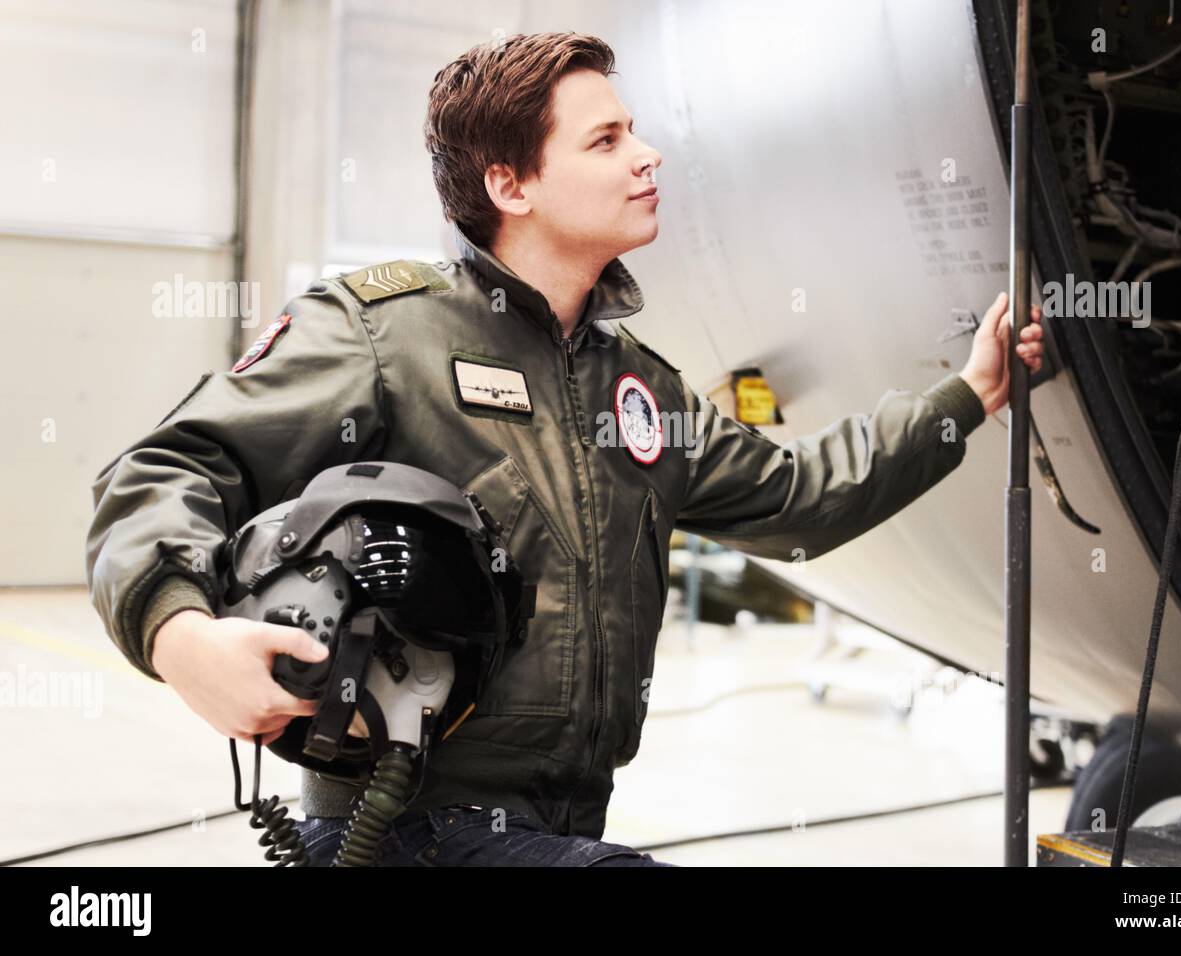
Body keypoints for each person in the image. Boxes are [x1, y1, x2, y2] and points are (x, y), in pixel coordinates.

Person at [85, 31, 1045, 867]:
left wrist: (969, 395)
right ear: (510, 182)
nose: (649, 155)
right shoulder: (383, 334)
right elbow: (165, 468)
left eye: (635, 131)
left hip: (562, 827)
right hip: (400, 830)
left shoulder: (641, 388)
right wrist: (179, 637)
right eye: (608, 139)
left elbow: (800, 496)